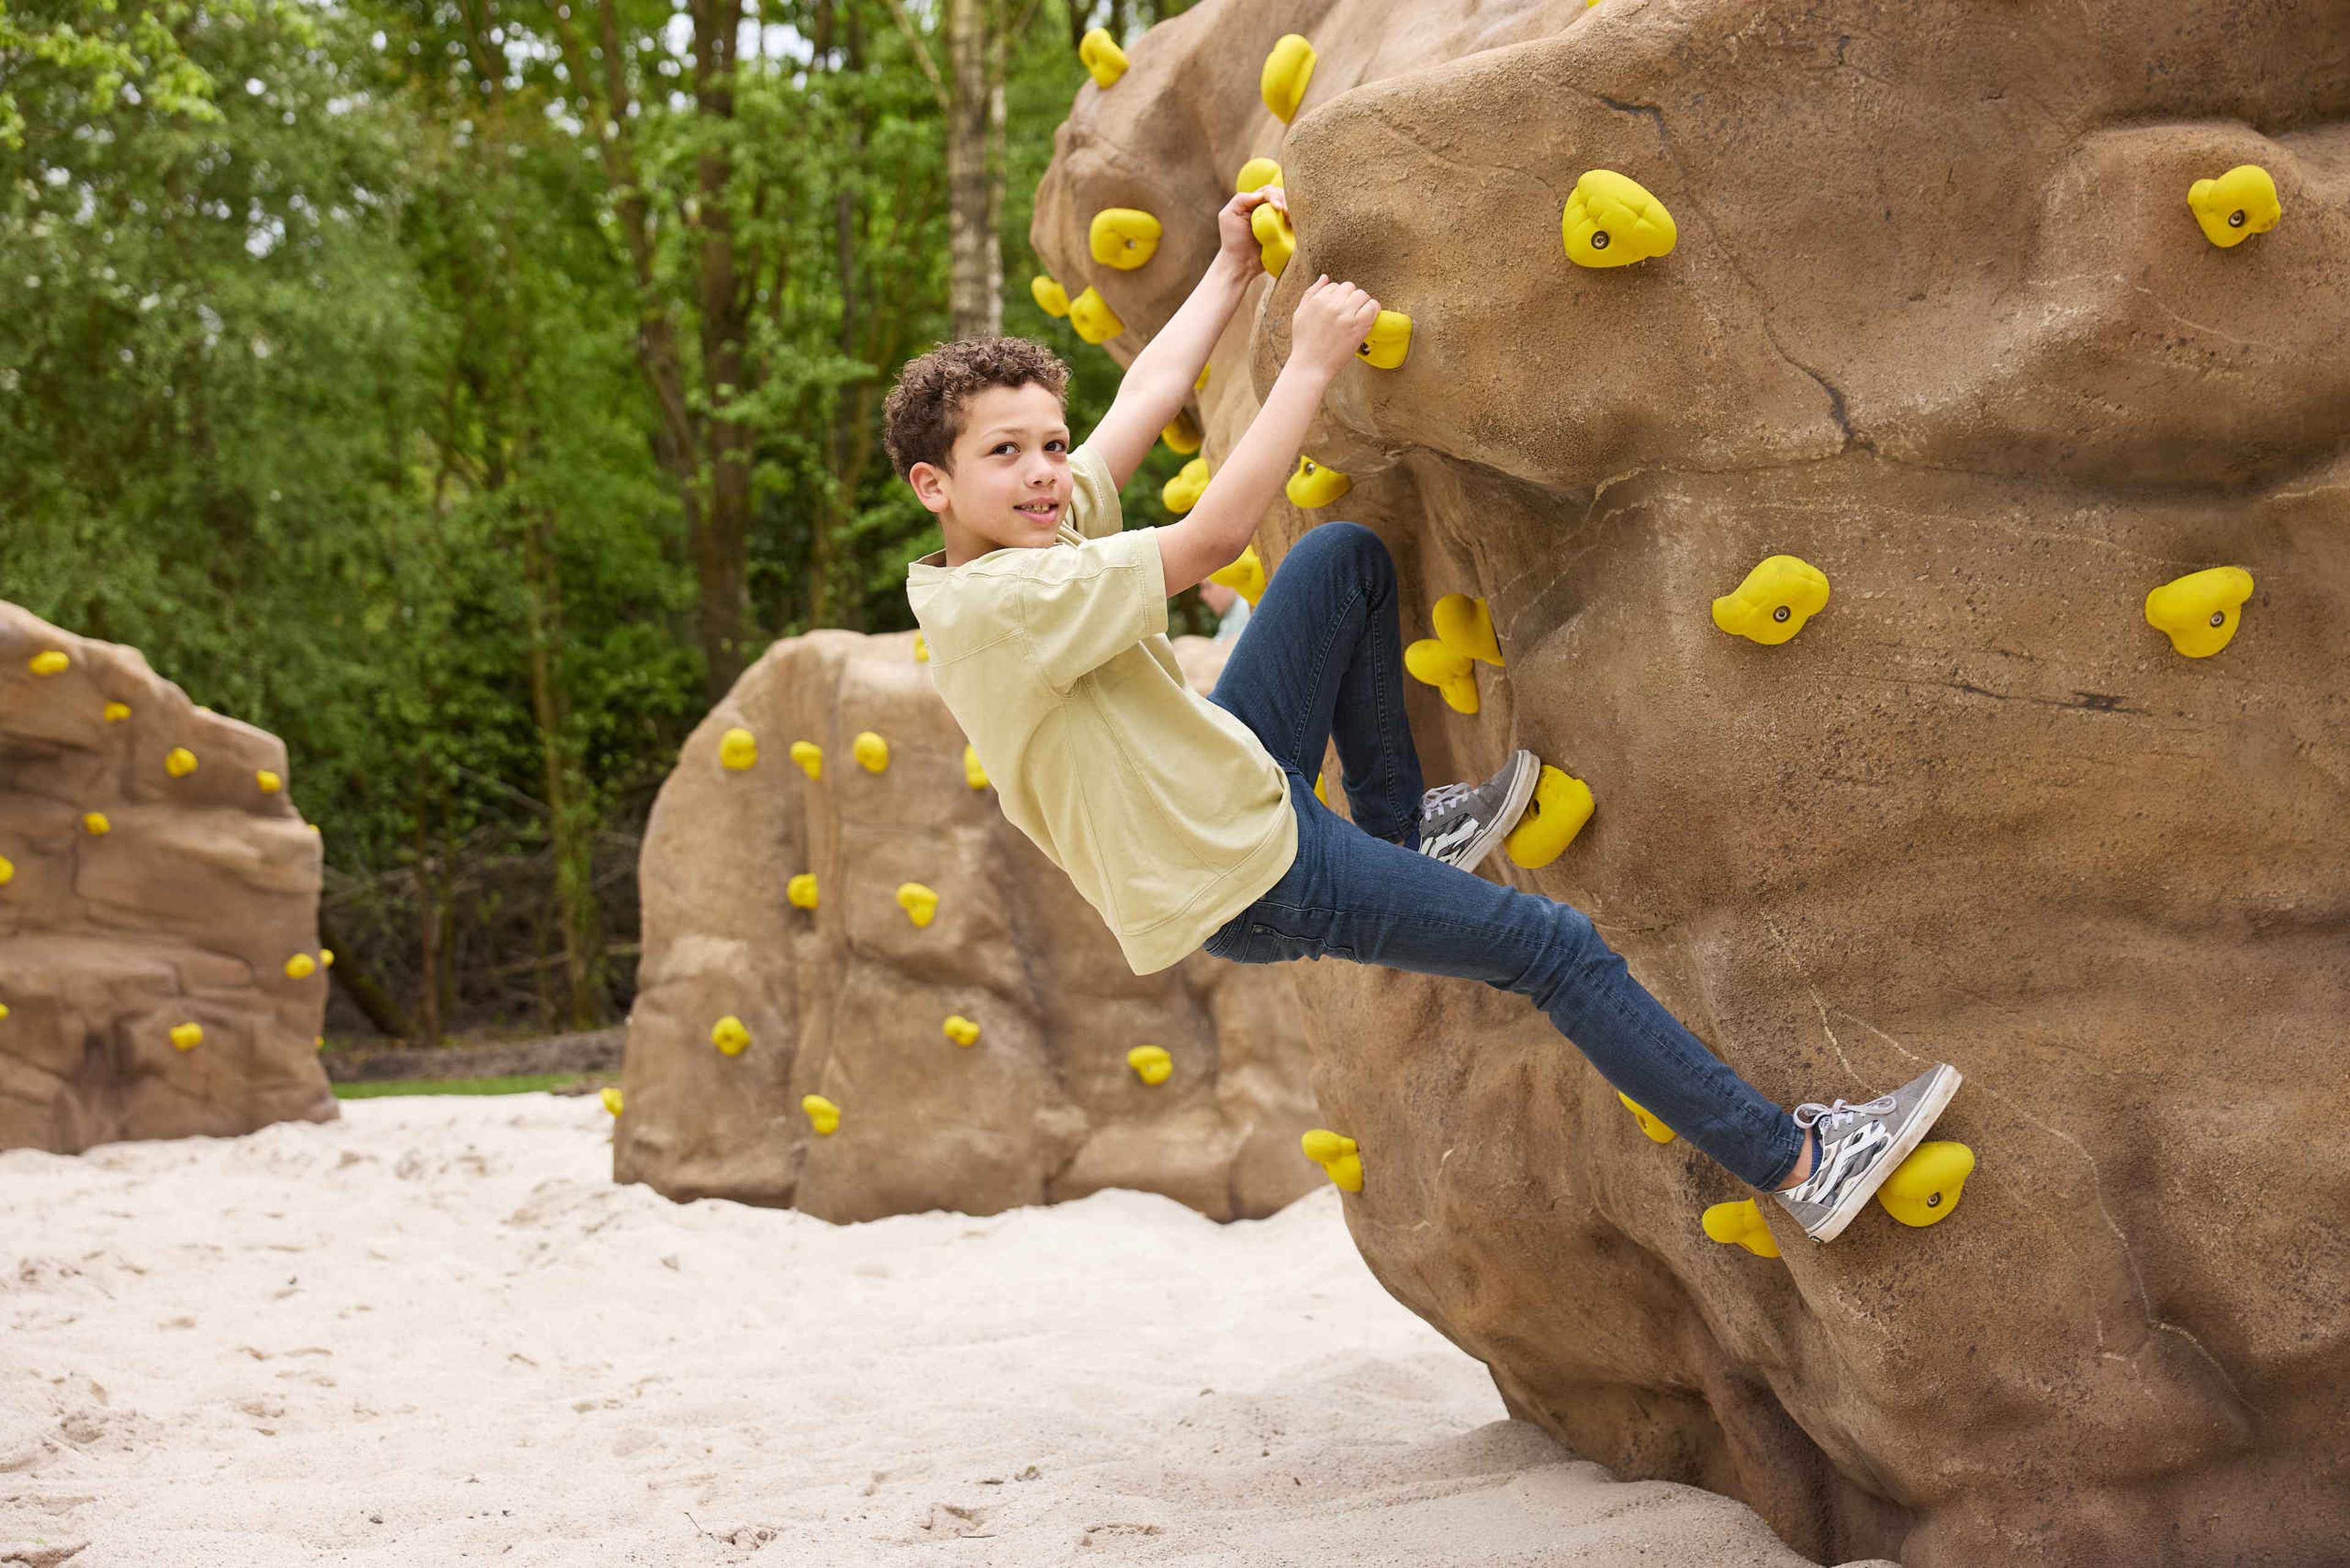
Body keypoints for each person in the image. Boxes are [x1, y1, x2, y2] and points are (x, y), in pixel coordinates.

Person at [890, 187, 1958, 1242]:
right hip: (1247, 870)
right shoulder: (1000, 604)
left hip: (1233, 774)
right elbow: (1211, 540)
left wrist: (1229, 268)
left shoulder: (1034, 529)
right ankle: (1799, 1163)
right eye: (1007, 453)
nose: (1045, 472)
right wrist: (1309, 363)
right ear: (934, 487)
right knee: (1551, 946)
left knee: (1341, 561)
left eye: (1051, 444)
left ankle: (1403, 831)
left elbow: (1146, 395)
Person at [1199, 577, 1250, 643]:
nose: (1202, 596)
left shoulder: (1247, 607)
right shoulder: (1231, 613)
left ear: (1228, 581)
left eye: (1208, 586)